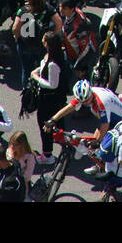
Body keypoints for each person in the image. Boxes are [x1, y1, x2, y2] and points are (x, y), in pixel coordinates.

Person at [30, 32, 69, 165]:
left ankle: (47, 155)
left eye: (44, 38)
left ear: (48, 43)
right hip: (54, 99)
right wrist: (39, 70)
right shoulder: (54, 56)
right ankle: (67, 146)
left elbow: (52, 85)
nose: (42, 39)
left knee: (45, 126)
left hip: (49, 100)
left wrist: (36, 77)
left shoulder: (53, 63)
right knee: (59, 123)